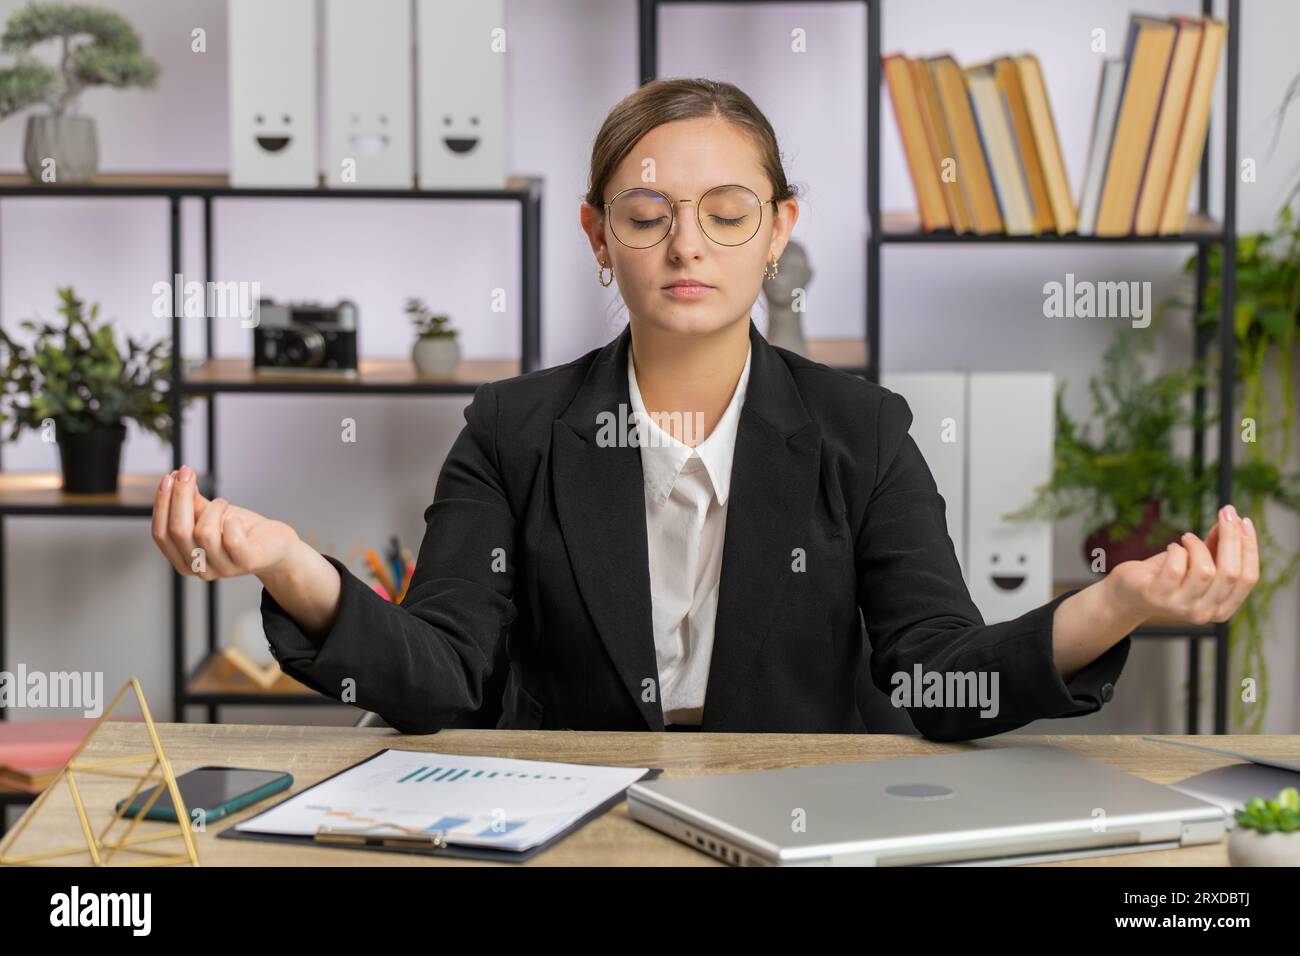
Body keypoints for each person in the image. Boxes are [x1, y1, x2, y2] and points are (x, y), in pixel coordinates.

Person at [150, 78, 1258, 739]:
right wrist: (287, 560)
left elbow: (935, 679)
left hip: (800, 821)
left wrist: (1119, 600)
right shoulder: (511, 428)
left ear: (778, 230)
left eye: (727, 213)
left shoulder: (860, 431)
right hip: (572, 830)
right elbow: (443, 676)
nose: (687, 245)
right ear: (596, 236)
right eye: (647, 214)